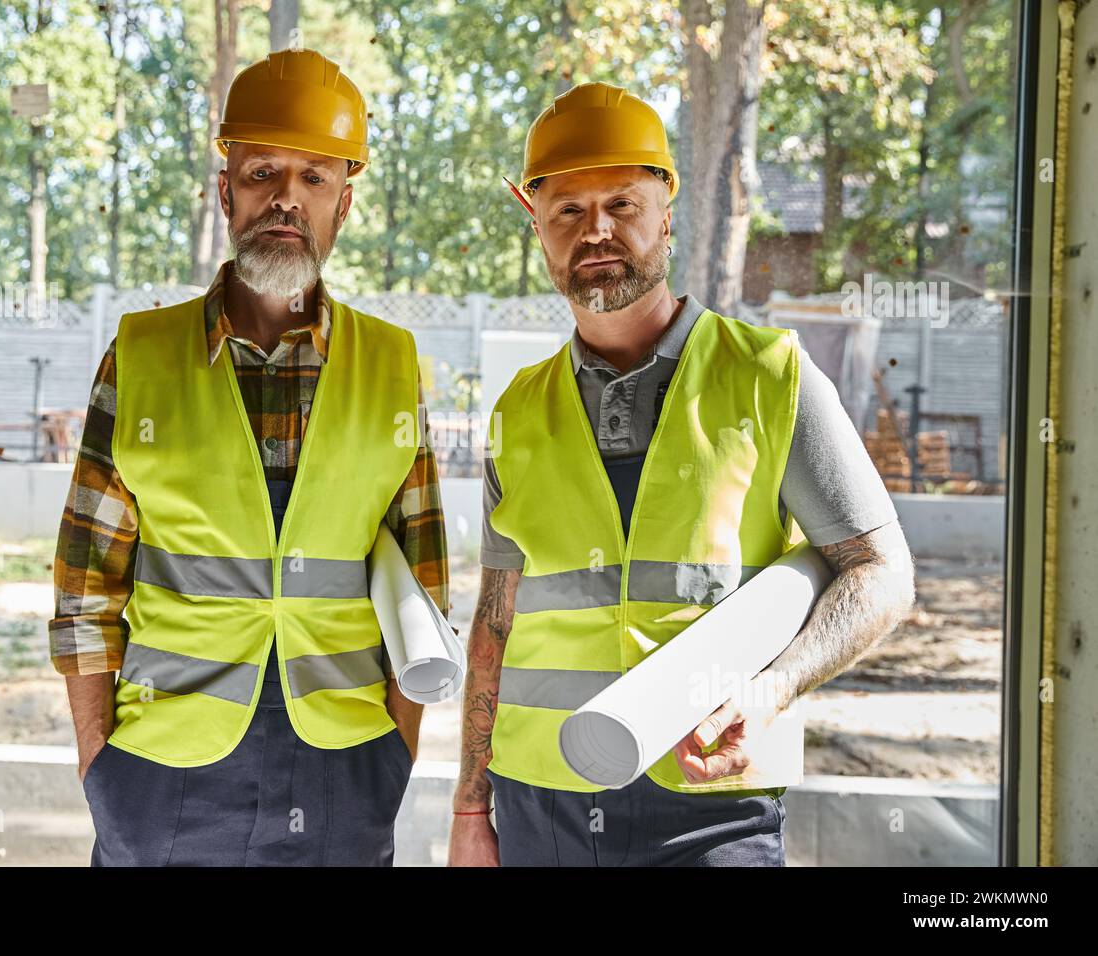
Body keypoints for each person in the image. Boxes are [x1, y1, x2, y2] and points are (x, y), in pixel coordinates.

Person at [448, 81, 915, 867]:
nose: (595, 230)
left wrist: (773, 689)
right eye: (567, 209)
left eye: (621, 204)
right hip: (539, 807)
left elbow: (882, 572)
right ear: (537, 225)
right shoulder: (518, 410)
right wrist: (470, 805)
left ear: (667, 210)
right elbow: (494, 626)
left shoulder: (774, 377)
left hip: (711, 810)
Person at [48, 49, 448, 866]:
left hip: (346, 770)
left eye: (314, 178)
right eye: (263, 170)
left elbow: (426, 588)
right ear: (224, 188)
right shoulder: (140, 356)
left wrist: (394, 761)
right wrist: (102, 769)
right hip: (162, 771)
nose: (286, 198)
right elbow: (86, 592)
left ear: (344, 205)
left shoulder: (392, 365)